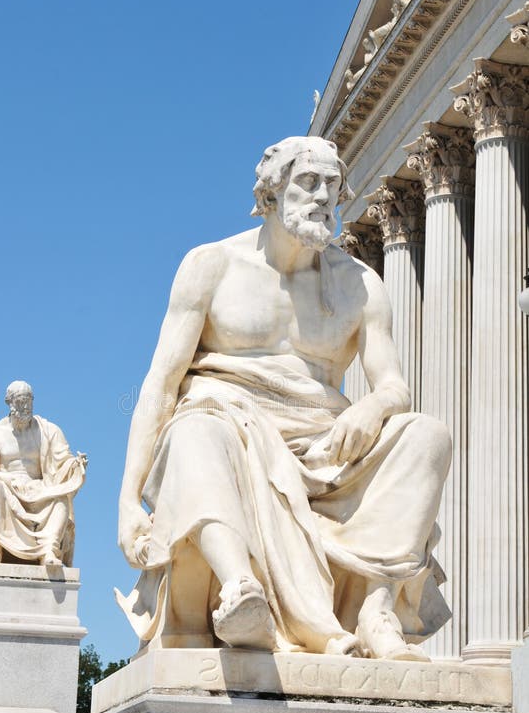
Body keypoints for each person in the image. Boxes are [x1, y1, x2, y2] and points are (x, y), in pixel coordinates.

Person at [116, 136, 452, 660]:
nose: (324, 197)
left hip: (325, 442)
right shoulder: (211, 265)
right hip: (228, 421)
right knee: (195, 428)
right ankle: (240, 592)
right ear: (270, 195)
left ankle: (375, 610)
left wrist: (373, 406)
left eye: (333, 186)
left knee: (427, 435)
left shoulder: (359, 283)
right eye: (308, 182)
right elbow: (161, 383)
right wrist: (126, 501)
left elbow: (393, 385)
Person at [0, 381, 87, 566]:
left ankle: (48, 550)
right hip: (7, 488)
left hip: (38, 489)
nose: (25, 406)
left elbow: (62, 461)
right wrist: (7, 478)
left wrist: (75, 465)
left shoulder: (48, 430)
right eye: (20, 401)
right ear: (9, 403)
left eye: (29, 401)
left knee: (60, 498)